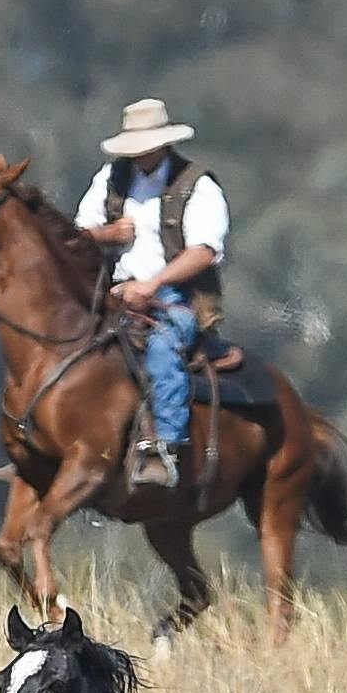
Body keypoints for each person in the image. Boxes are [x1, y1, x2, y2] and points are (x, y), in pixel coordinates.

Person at [73, 98, 228, 490]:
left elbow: (204, 251)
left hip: (176, 298)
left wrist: (152, 285)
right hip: (112, 295)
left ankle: (164, 447)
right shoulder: (111, 179)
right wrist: (109, 235)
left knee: (162, 349)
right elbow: (78, 234)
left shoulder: (197, 185)